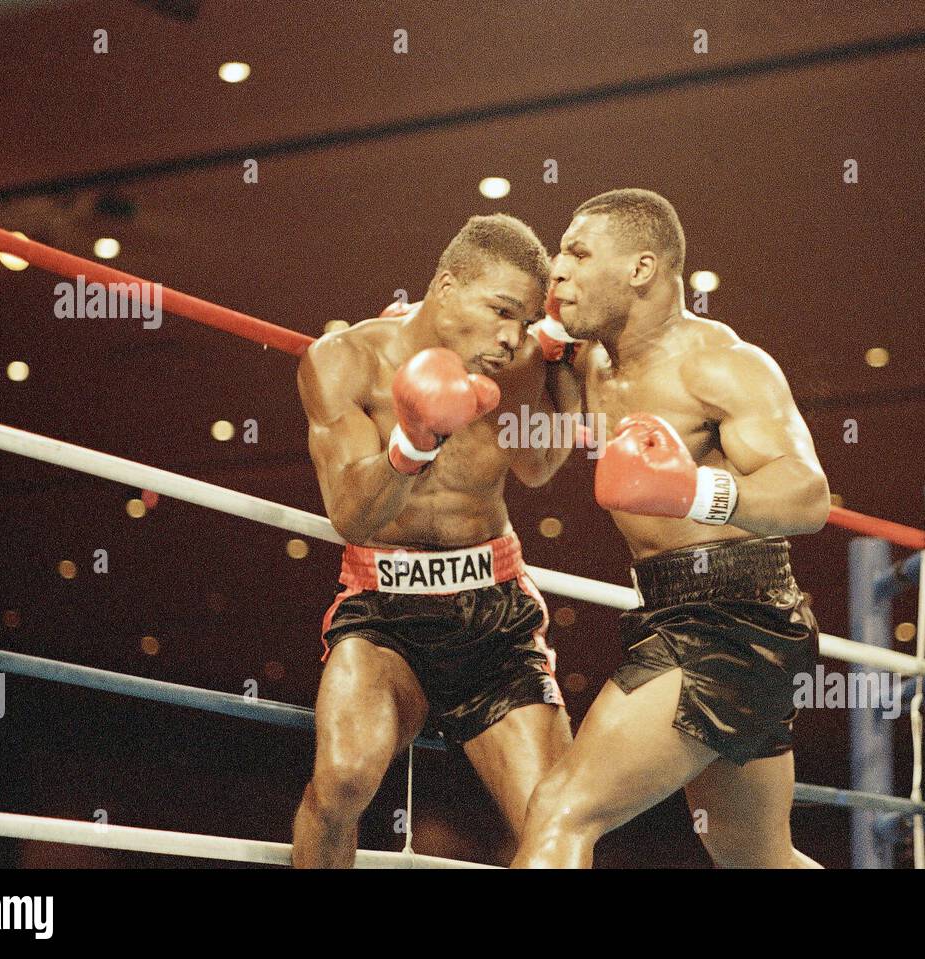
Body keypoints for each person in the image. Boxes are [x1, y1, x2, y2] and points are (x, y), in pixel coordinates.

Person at [514, 189, 830, 868]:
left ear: (641, 268)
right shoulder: (587, 361)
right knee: (753, 854)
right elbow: (530, 455)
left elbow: (808, 497)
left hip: (735, 618)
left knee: (562, 810)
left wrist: (695, 489)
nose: (557, 269)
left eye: (577, 251)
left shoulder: (718, 364)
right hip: (670, 609)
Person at [292, 214, 579, 867]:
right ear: (446, 287)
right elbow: (351, 514)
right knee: (341, 778)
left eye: (526, 321)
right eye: (501, 311)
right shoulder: (344, 362)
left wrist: (567, 372)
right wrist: (411, 444)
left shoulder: (521, 361)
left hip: (494, 612)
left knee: (557, 819)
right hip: (384, 607)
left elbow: (536, 464)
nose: (512, 337)